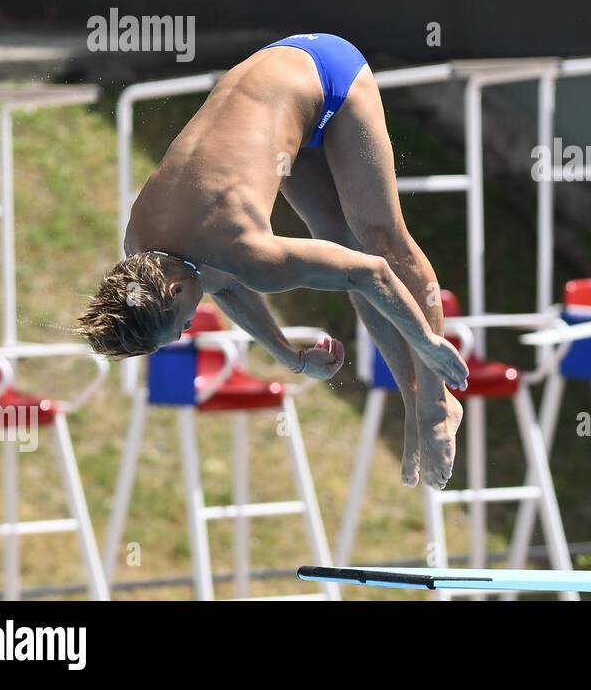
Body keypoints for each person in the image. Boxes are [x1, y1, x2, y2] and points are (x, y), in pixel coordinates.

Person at [78, 34, 467, 489]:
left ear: (174, 292)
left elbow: (373, 273)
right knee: (335, 240)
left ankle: (435, 405)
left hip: (328, 75)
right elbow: (222, 285)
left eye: (180, 325)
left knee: (379, 239)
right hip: (273, 87)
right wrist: (290, 355)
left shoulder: (248, 251)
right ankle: (412, 399)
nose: (189, 327)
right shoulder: (143, 247)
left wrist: (426, 341)